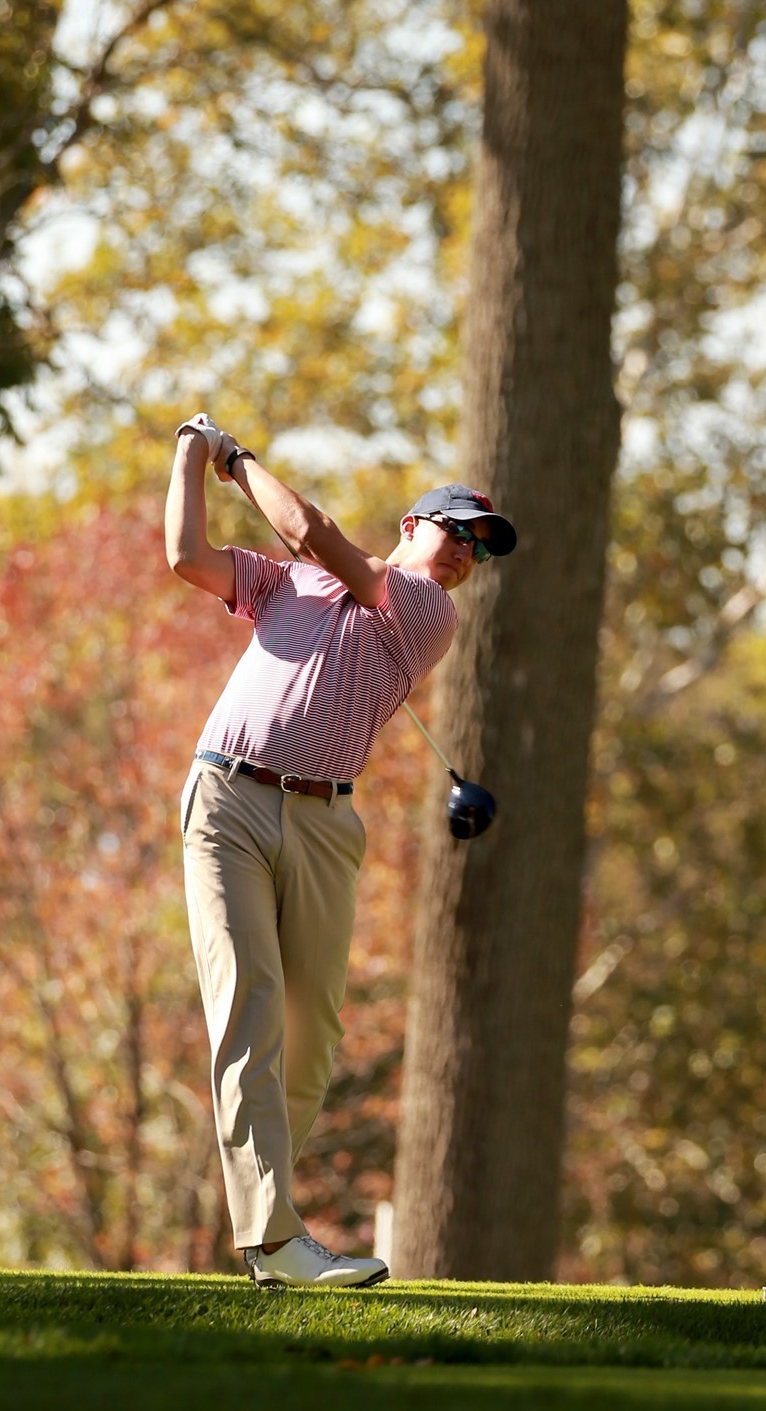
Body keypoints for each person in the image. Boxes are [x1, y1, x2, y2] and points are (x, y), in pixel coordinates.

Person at [164, 412, 516, 1287]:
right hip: (227, 802)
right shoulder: (289, 584)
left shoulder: (429, 612)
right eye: (458, 532)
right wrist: (189, 453)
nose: (467, 554)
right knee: (250, 1003)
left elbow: (313, 531)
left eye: (480, 549)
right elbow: (186, 556)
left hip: (324, 825)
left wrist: (235, 458)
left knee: (311, 1034)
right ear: (413, 524)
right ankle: (275, 1238)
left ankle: (268, 1221)